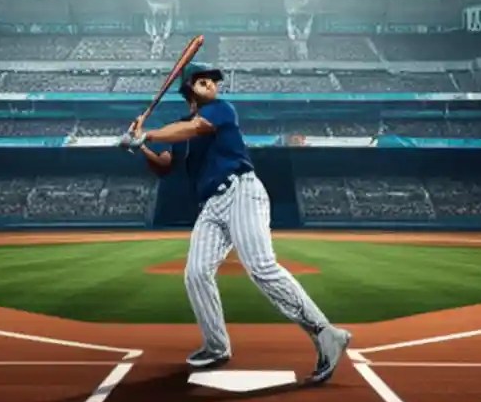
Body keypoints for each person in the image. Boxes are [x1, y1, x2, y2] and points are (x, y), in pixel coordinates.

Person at [119, 61, 351, 384]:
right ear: (188, 90)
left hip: (241, 191)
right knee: (196, 273)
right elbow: (164, 165)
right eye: (201, 80)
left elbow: (196, 128)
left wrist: (147, 133)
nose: (211, 84)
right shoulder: (180, 129)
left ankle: (325, 332)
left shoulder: (221, 110)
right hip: (210, 206)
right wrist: (140, 145)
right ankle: (216, 346)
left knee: (261, 267)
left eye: (213, 81)